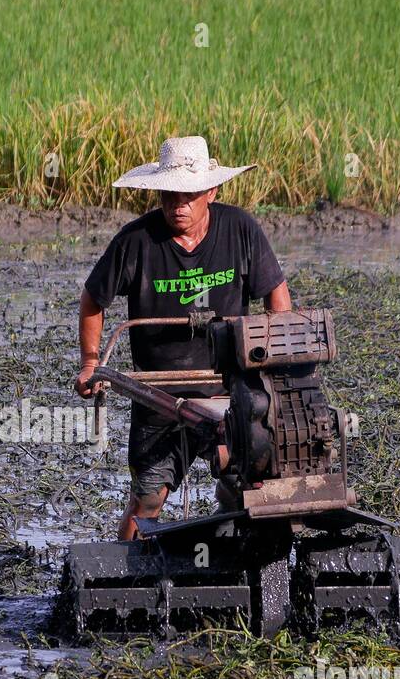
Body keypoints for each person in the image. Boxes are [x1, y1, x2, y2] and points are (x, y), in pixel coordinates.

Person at [75, 135, 292, 540]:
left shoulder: (240, 229)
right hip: (158, 392)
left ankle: (231, 566)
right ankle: (122, 579)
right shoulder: (136, 241)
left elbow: (276, 294)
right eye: (169, 195)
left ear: (211, 190)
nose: (178, 205)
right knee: (149, 498)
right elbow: (93, 299)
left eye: (188, 195)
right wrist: (91, 360)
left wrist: (279, 357)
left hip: (227, 389)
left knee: (244, 480)